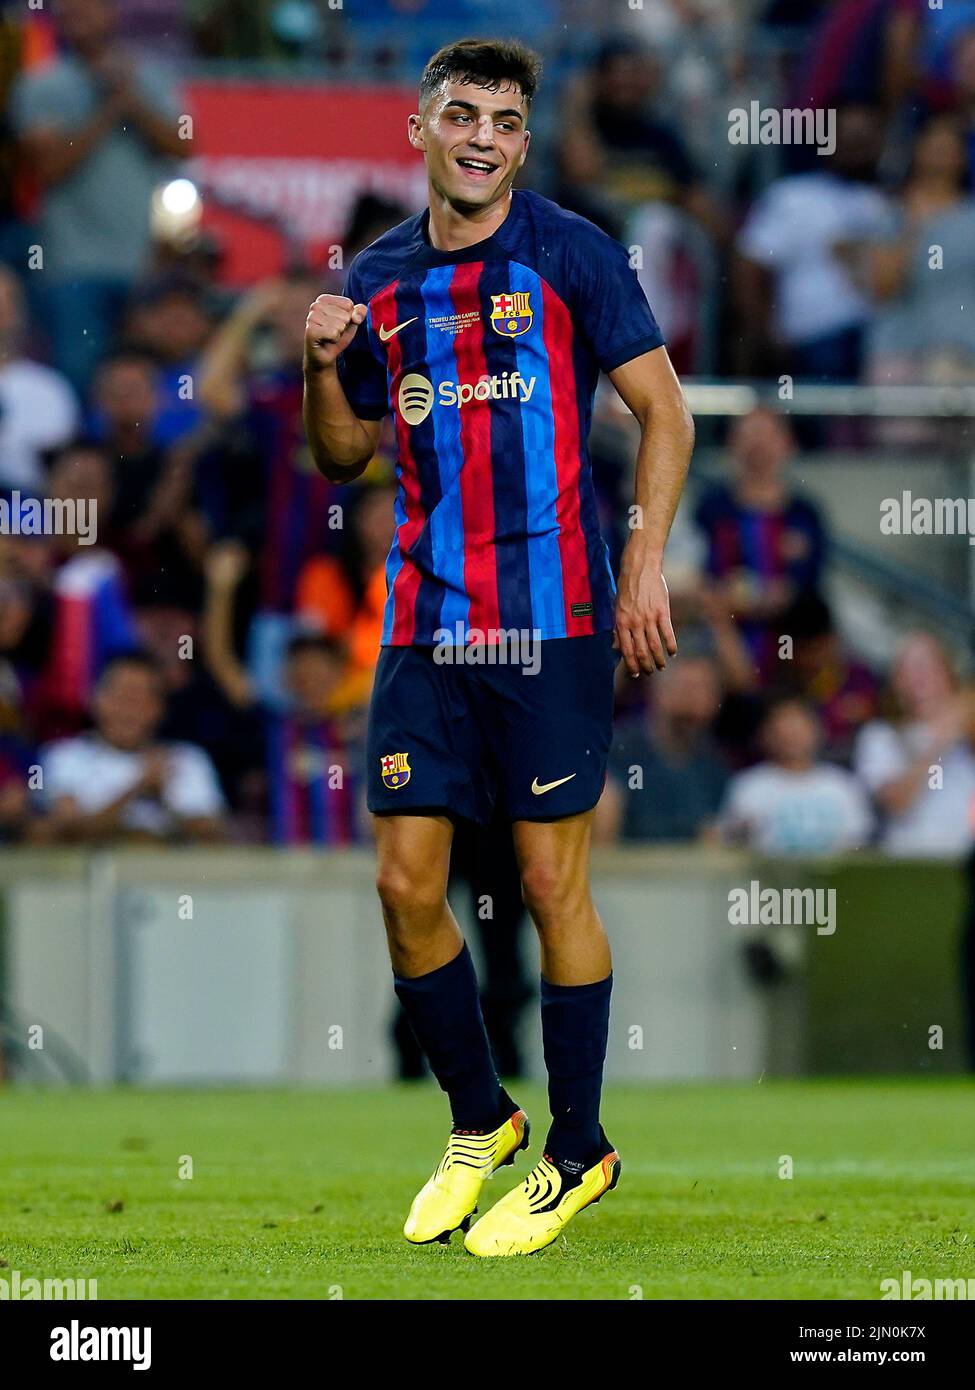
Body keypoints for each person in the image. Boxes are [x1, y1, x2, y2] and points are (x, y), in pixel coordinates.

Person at [302, 39, 694, 1257]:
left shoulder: (571, 252)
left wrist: (640, 564)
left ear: (524, 143)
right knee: (403, 886)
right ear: (421, 129)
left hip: (557, 620)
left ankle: (581, 1152)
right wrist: (322, 364)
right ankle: (483, 1120)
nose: (482, 136)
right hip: (425, 622)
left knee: (546, 884)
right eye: (461, 114)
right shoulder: (375, 280)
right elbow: (342, 455)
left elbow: (666, 410)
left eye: (506, 120)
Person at [10, 0, 184, 391]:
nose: (79, 20)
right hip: (71, 264)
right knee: (78, 377)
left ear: (111, 13)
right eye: (69, 13)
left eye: (88, 10)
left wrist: (132, 101)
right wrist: (109, 108)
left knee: (144, 381)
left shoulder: (149, 77)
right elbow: (48, 169)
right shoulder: (42, 85)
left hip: (142, 263)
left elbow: (183, 146)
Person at [34, 651, 225, 844]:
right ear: (95, 699)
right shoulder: (62, 756)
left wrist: (165, 799)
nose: (129, 710)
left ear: (160, 709)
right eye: (120, 696)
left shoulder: (187, 759)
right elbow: (68, 831)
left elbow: (213, 836)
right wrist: (137, 789)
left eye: (141, 699)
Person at [854, 632, 975, 856]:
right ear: (897, 683)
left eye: (928, 667)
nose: (919, 677)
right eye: (909, 670)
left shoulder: (968, 730)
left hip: (966, 861)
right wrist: (941, 739)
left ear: (948, 673)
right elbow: (897, 802)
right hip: (911, 861)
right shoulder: (880, 736)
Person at [595, 654, 730, 844]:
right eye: (684, 687)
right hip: (625, 861)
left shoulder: (714, 762)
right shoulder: (620, 747)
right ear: (656, 691)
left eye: (703, 688)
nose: (692, 698)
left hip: (692, 867)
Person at [717, 697, 873, 854]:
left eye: (798, 729)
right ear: (766, 735)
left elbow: (857, 844)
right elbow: (732, 843)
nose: (791, 737)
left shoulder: (843, 785)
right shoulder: (749, 786)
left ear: (817, 731)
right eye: (783, 730)